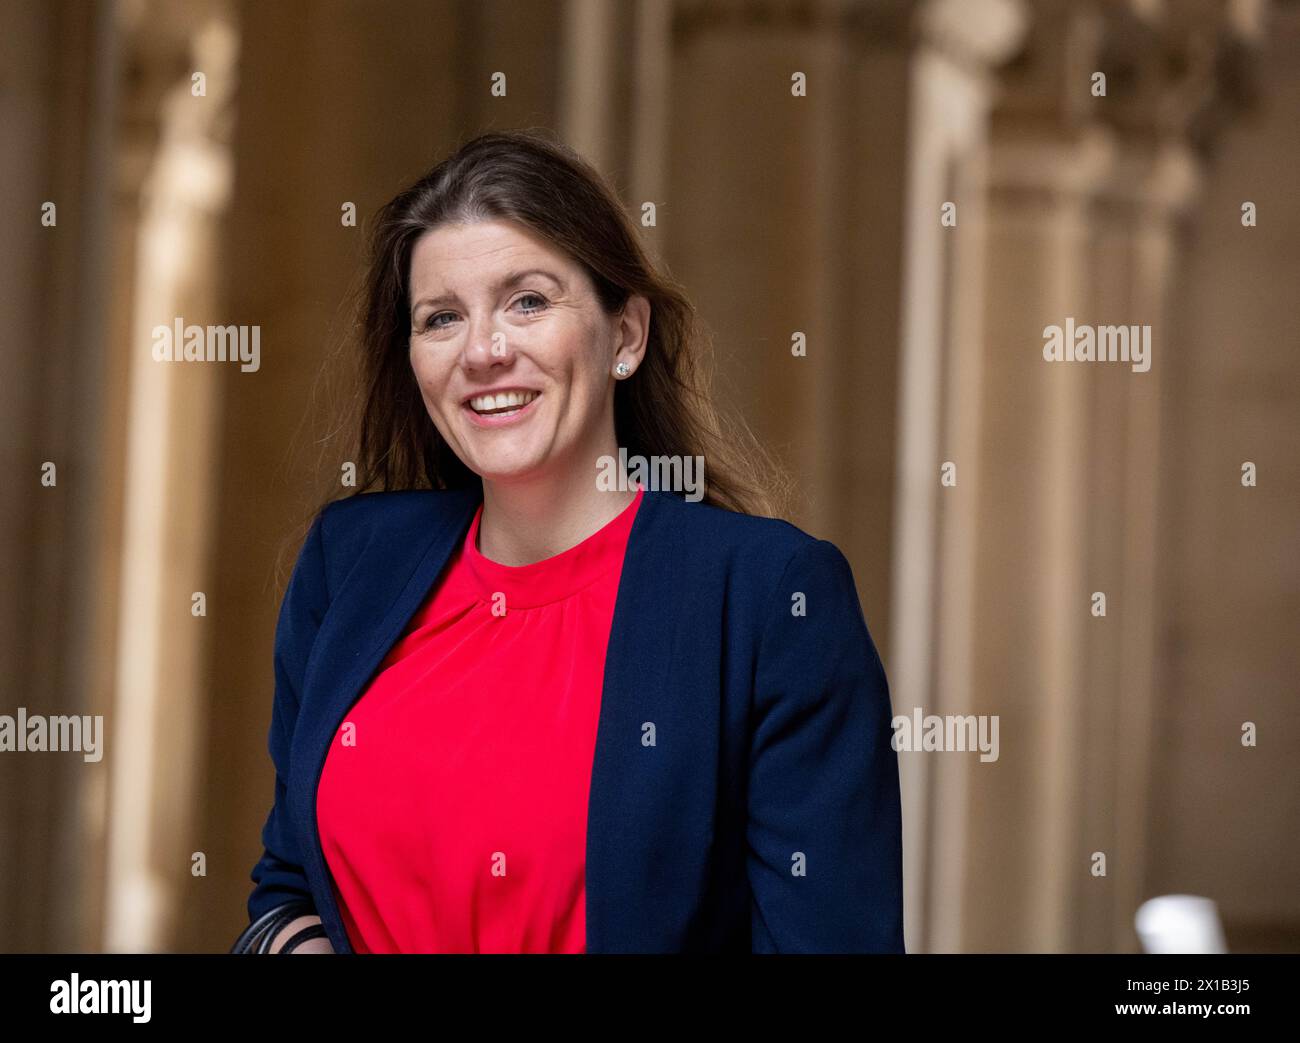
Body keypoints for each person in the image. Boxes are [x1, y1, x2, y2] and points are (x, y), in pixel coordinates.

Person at [236, 128, 904, 954]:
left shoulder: (769, 598)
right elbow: (288, 884)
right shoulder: (351, 561)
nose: (484, 350)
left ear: (625, 336)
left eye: (528, 301)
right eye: (442, 317)